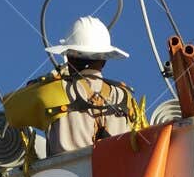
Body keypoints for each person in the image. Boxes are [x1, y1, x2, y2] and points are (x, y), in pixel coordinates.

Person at [42, 16, 137, 156]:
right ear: (104, 60)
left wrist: (52, 79)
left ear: (69, 59)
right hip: (117, 174)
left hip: (66, 175)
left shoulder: (52, 90)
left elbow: (12, 110)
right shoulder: (124, 96)